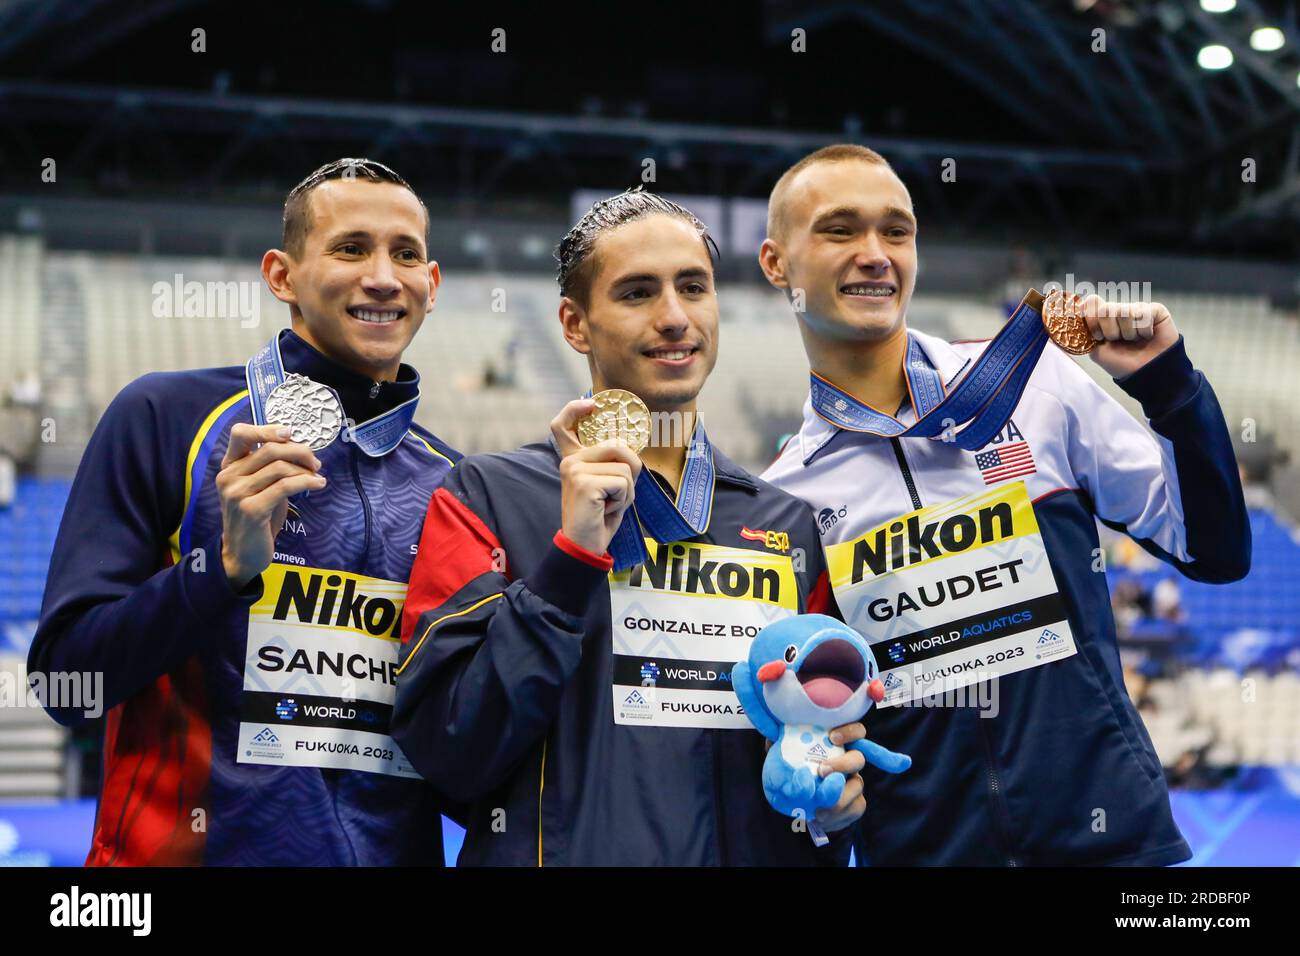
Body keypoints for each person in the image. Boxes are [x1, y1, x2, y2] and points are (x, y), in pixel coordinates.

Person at [758, 144, 1250, 866]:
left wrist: (1171, 389)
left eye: (896, 231)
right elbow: (820, 716)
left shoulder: (1035, 383)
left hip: (1117, 848)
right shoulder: (787, 498)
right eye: (840, 230)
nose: (875, 254)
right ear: (776, 264)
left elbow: (1215, 552)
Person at [392, 189, 904, 865]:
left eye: (693, 287)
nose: (673, 317)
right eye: (637, 292)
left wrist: (830, 808)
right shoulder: (488, 497)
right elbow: (449, 747)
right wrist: (569, 561)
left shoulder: (786, 522)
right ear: (574, 324)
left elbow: (814, 738)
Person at [29, 158, 460, 865]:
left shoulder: (452, 481)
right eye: (351, 248)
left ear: (431, 285)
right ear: (281, 275)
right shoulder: (165, 417)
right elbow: (66, 684)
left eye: (405, 254)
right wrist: (219, 571)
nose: (383, 276)